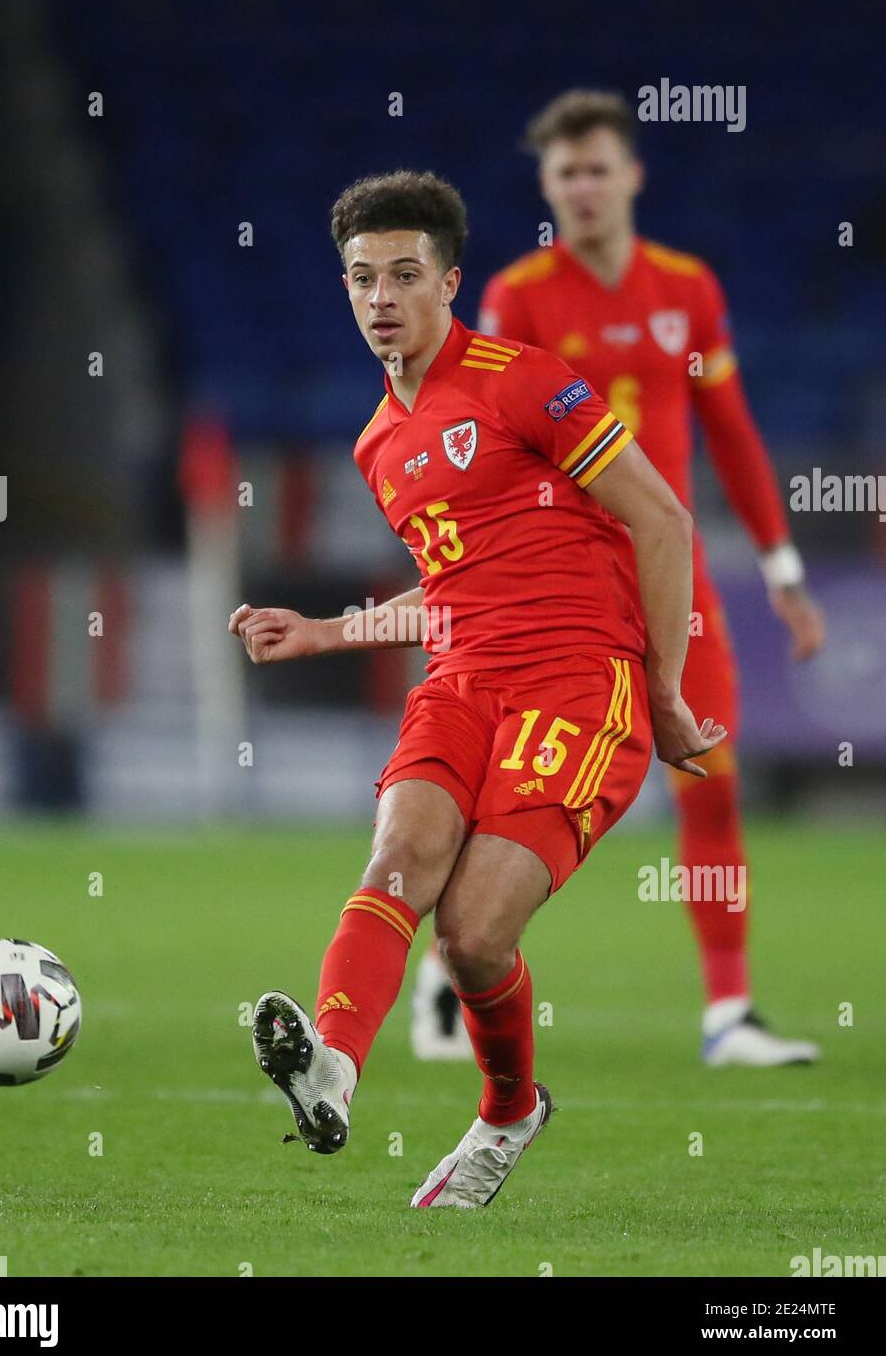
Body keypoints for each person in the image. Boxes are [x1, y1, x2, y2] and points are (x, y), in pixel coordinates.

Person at [230, 169, 725, 1208]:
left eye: (403, 275)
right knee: (399, 853)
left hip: (578, 688)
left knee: (472, 932)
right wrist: (327, 631)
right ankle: (332, 1065)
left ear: (449, 282)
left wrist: (665, 690)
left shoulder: (524, 381)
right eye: (361, 278)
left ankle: (508, 1109)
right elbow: (453, 587)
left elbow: (663, 519)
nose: (380, 299)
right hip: (462, 680)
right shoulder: (378, 443)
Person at [411, 90, 824, 1067]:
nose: (583, 188)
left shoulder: (687, 289)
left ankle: (727, 1015)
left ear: (631, 175)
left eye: (598, 168)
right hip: (562, 593)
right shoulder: (518, 297)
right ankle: (447, 970)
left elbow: (731, 434)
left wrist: (783, 568)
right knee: (504, 793)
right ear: (548, 188)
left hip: (673, 582)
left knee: (708, 786)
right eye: (565, 174)